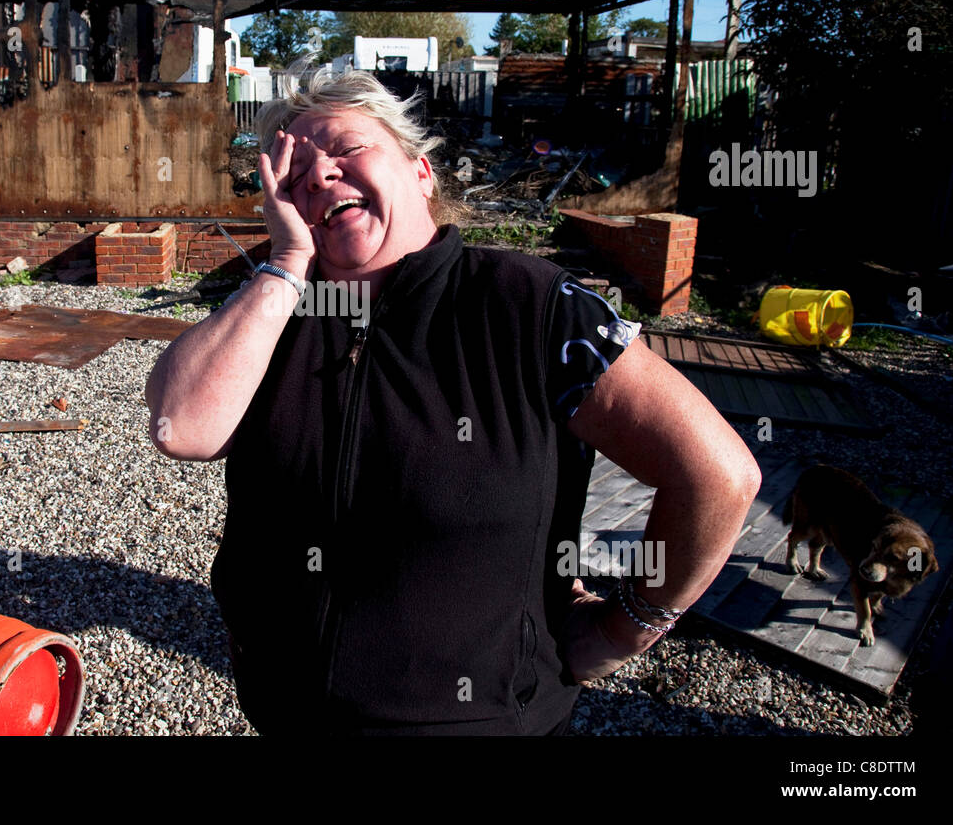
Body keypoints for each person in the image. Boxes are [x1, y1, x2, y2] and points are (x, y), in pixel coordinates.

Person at [145, 65, 761, 735]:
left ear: (420, 172)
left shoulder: (529, 305)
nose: (320, 176)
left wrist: (627, 629)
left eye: (348, 150)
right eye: (295, 173)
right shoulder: (273, 313)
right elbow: (182, 429)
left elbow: (717, 476)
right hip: (282, 712)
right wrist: (287, 266)